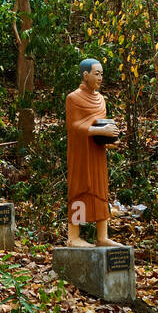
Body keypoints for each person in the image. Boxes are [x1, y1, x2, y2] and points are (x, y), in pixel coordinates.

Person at [65, 58, 121, 246]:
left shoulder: (101, 100)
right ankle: (74, 236)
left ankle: (102, 236)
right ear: (85, 75)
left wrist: (109, 140)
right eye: (96, 74)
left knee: (100, 191)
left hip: (97, 154)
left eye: (102, 74)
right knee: (80, 190)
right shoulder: (73, 98)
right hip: (81, 154)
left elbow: (101, 125)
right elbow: (74, 127)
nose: (100, 78)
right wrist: (99, 131)